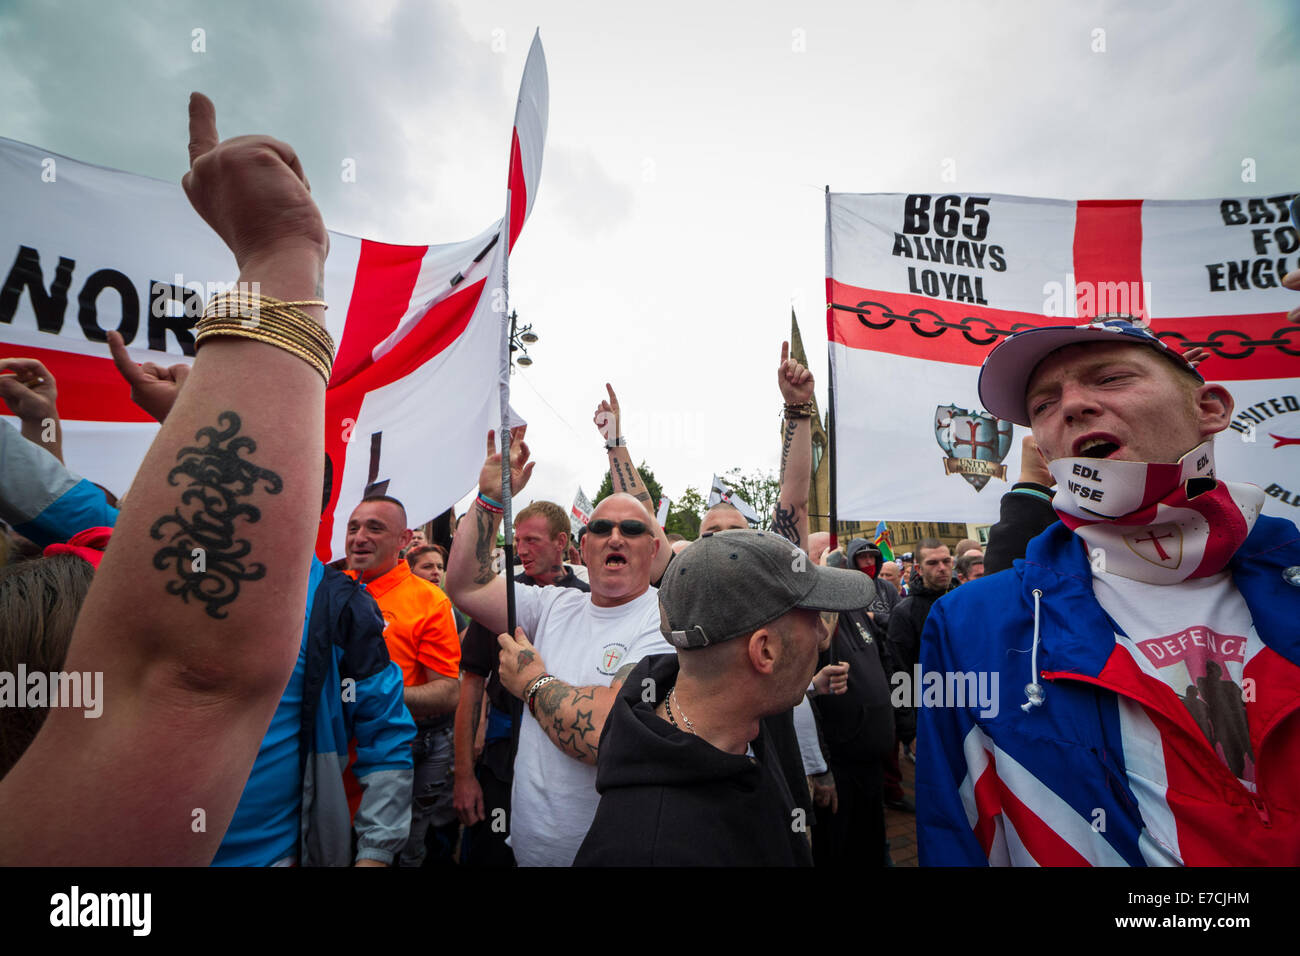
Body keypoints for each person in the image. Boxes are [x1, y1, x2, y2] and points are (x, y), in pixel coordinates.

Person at [0, 92, 334, 865]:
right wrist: (282, 255)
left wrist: (48, 430)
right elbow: (189, 673)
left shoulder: (333, 596)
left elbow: (62, 507)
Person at [916, 316, 1300, 866]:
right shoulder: (969, 624)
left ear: (1209, 408)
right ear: (1046, 456)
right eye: (1044, 405)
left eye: (1111, 378)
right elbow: (954, 832)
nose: (1070, 405)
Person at [445, 430, 676, 866]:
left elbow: (607, 735)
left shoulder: (662, 620)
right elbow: (464, 585)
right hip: (530, 852)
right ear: (583, 548)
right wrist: (491, 502)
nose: (615, 537)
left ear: (654, 549)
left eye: (632, 528)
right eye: (601, 528)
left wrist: (531, 682)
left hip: (610, 855)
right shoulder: (551, 605)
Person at [573, 529, 872, 865]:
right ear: (765, 651)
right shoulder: (647, 850)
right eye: (814, 618)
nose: (822, 636)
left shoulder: (746, 723)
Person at [453, 500, 589, 866]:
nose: (522, 549)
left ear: (562, 541)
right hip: (502, 764)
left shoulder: (587, 600)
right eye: (517, 539)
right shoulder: (499, 599)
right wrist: (464, 775)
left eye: (533, 540)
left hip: (563, 763)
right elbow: (471, 685)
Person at [345, 495, 461, 867]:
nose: (359, 537)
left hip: (404, 754)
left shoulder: (429, 602)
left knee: (399, 853)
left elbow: (448, 692)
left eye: (375, 528)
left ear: (402, 539)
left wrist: (372, 696)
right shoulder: (326, 590)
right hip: (332, 755)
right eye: (353, 528)